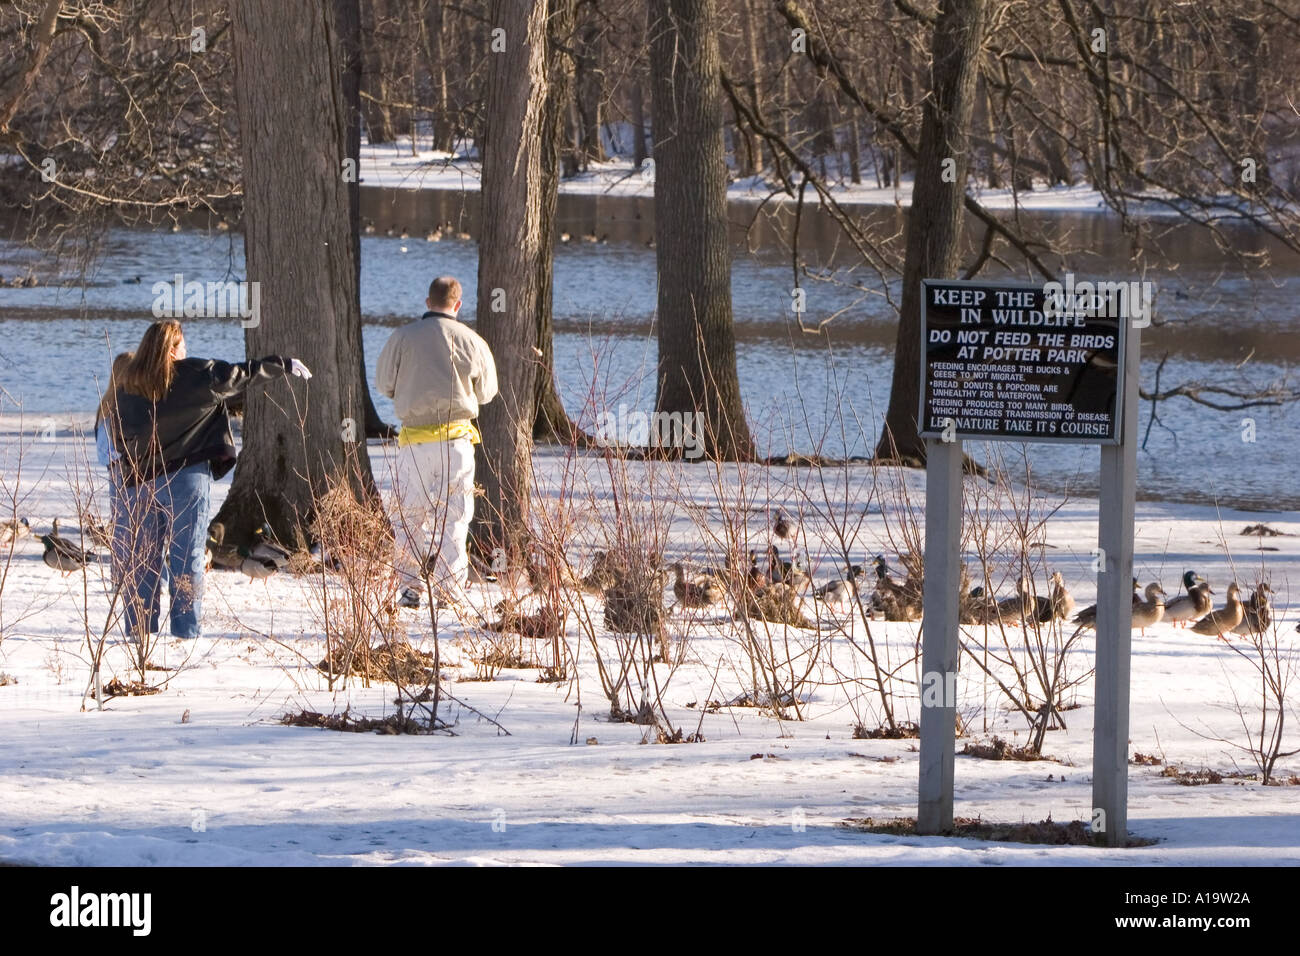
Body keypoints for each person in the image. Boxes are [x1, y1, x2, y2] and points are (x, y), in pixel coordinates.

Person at [110, 319, 310, 639]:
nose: (187, 350)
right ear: (173, 351)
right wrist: (282, 364)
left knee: (143, 559)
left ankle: (138, 629)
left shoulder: (129, 385)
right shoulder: (197, 375)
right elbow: (241, 375)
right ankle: (185, 630)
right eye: (183, 346)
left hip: (139, 482)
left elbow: (118, 434)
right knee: (185, 557)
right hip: (186, 479)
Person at [376, 276, 498, 610]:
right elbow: (487, 393)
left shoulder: (402, 337)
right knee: (455, 517)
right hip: (456, 440)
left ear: (427, 302)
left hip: (413, 440)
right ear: (458, 305)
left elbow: (384, 384)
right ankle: (450, 591)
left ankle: (410, 588)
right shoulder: (473, 341)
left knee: (409, 516)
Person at [94, 351, 133, 586]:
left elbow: (101, 447)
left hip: (113, 468)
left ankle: (119, 576)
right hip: (126, 467)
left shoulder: (105, 406)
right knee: (139, 524)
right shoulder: (124, 406)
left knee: (120, 522)